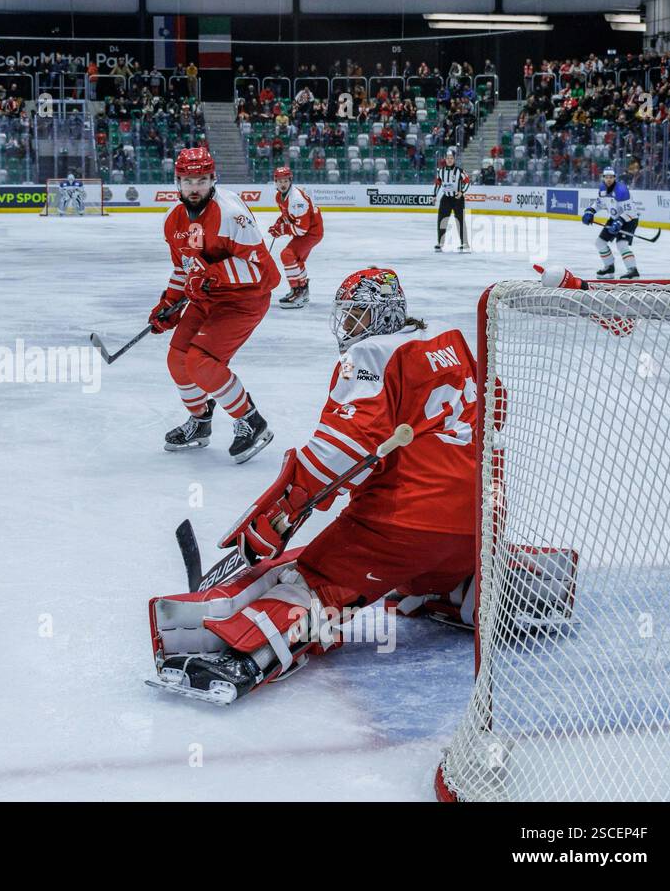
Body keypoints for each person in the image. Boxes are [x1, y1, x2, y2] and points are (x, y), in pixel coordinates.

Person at [148, 267, 479, 704]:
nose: (349, 326)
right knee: (421, 561)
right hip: (478, 523)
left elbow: (340, 450)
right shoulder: (451, 341)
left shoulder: (373, 355)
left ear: (385, 313)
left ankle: (246, 654)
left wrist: (283, 508)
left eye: (359, 314)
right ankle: (459, 587)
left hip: (405, 525)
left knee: (312, 581)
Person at [149, 147, 280, 464]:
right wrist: (168, 306)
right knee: (178, 359)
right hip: (207, 296)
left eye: (202, 180)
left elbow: (266, 273)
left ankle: (251, 421)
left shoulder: (231, 213)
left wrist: (211, 276)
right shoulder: (173, 220)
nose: (195, 188)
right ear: (177, 182)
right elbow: (184, 270)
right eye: (189, 181)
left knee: (202, 363)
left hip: (244, 300)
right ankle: (200, 422)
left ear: (213, 180)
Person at [267, 166, 323, 309]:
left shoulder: (297, 199)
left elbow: (301, 229)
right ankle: (302, 291)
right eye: (279, 181)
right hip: (308, 230)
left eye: (285, 180)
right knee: (296, 259)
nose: (282, 184)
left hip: (312, 231)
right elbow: (288, 216)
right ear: (275, 182)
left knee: (287, 255)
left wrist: (281, 230)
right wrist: (279, 223)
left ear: (290, 180)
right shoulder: (280, 196)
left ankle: (297, 291)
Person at [582, 166, 643, 278]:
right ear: (603, 178)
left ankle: (633, 271)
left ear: (615, 178)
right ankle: (609, 268)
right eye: (606, 177)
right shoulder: (602, 189)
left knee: (621, 244)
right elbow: (599, 204)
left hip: (629, 219)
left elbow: (630, 211)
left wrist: (620, 221)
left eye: (611, 177)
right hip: (615, 219)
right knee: (600, 243)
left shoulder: (621, 190)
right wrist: (590, 211)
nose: (609, 179)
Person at [433, 147, 470, 252]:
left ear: (454, 159)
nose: (449, 160)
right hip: (445, 199)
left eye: (451, 158)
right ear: (445, 159)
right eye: (448, 158)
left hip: (457, 199)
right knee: (441, 220)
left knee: (460, 221)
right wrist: (434, 195)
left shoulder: (459, 171)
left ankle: (464, 243)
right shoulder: (441, 171)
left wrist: (461, 192)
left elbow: (467, 182)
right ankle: (440, 243)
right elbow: (437, 184)